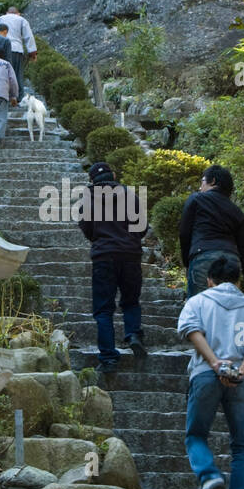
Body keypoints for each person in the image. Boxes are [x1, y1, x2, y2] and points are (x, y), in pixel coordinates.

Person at [177, 253, 244, 489]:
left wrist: (215, 363)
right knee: (241, 445)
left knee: (195, 434)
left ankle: (208, 475)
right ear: (238, 282)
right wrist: (239, 371)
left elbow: (191, 330)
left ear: (209, 280)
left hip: (206, 374)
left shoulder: (198, 301)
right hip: (239, 379)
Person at [77, 161, 148, 386]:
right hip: (130, 255)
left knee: (103, 309)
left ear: (91, 180)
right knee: (130, 301)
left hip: (104, 257)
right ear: (114, 174)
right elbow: (143, 225)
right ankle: (133, 335)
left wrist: (101, 239)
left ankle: (108, 358)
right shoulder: (129, 194)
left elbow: (86, 227)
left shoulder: (88, 198)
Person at [179, 165, 244, 299]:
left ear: (212, 181)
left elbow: (184, 233)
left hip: (203, 257)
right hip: (231, 261)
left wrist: (188, 262)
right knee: (227, 310)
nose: (200, 187)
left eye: (202, 181)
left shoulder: (197, 199)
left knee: (199, 309)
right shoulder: (237, 211)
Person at [0, 5, 37, 99]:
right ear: (18, 13)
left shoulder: (0, 19)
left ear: (7, 13)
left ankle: (2, 97)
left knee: (1, 74)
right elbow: (29, 37)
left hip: (1, 50)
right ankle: (19, 98)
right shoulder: (21, 20)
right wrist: (32, 53)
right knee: (17, 75)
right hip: (16, 50)